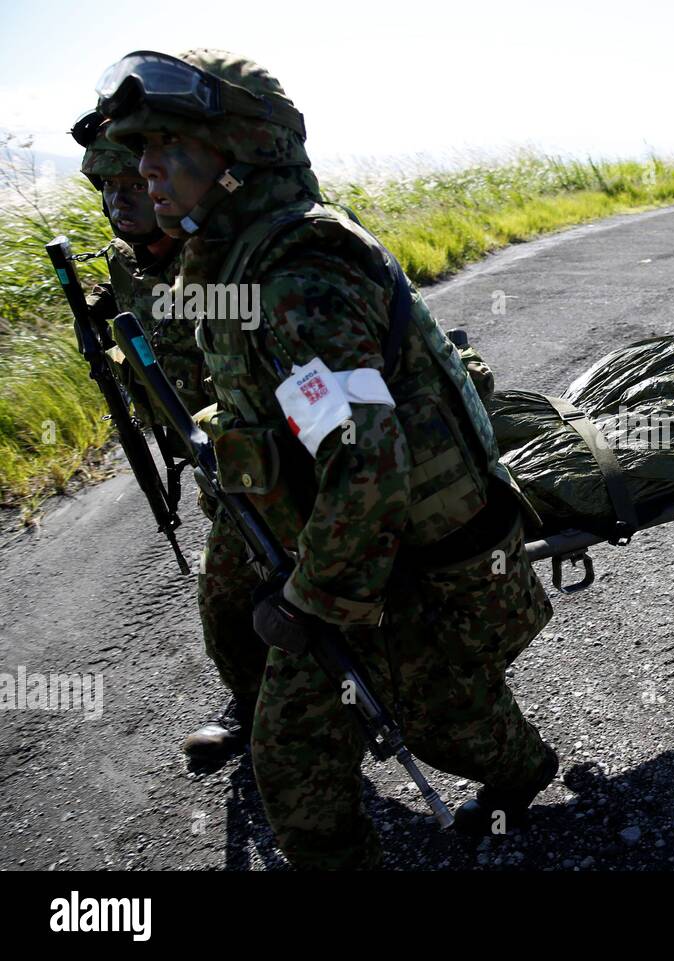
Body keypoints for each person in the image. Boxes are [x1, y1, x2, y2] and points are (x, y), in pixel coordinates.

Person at [99, 49, 558, 867]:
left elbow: (366, 455)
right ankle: (505, 773)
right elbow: (296, 418)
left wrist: (315, 601)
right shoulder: (241, 257)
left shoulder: (297, 271)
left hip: (416, 553)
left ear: (241, 152)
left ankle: (520, 770)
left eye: (167, 147)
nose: (146, 172)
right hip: (371, 546)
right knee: (330, 746)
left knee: (408, 727)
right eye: (141, 152)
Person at [73, 111, 265, 763]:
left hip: (264, 457)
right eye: (108, 187)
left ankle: (262, 708)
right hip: (208, 457)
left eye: (132, 182)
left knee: (232, 596)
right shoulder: (131, 264)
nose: (119, 199)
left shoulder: (221, 258)